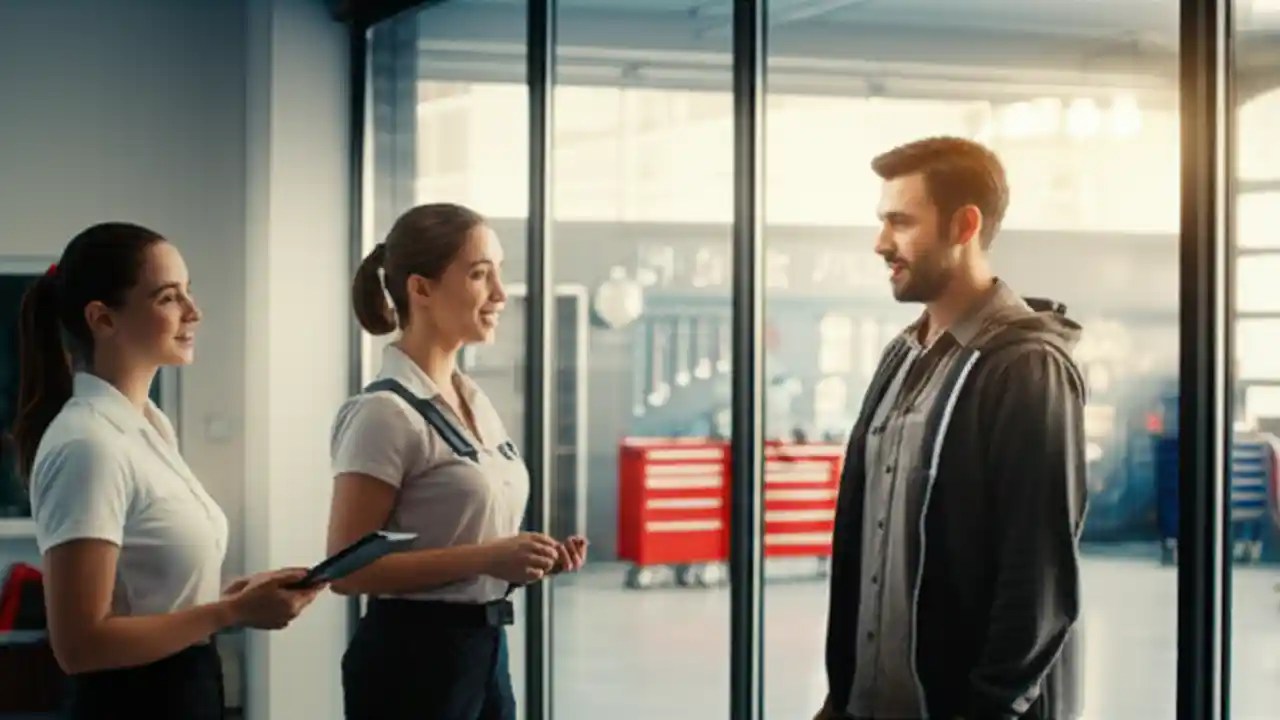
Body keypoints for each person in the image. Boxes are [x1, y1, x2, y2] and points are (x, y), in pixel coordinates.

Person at [816, 138, 1088, 720]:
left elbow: (1038, 579)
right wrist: (841, 697)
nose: (881, 242)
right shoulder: (901, 355)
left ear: (964, 226)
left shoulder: (1027, 368)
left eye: (901, 222)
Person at [12, 222, 323, 719]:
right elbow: (80, 645)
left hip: (182, 690)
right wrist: (230, 612)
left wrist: (231, 596)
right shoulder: (89, 445)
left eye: (188, 292)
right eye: (168, 297)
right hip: (133, 703)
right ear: (103, 319)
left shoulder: (148, 426)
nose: (193, 312)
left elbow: (144, 597)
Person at [328, 203, 589, 720]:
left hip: (484, 650)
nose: (499, 294)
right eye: (479, 274)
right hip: (412, 661)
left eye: (498, 274)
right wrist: (488, 558)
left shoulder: (472, 400)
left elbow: (464, 533)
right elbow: (346, 571)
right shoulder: (384, 413)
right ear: (421, 289)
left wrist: (526, 559)